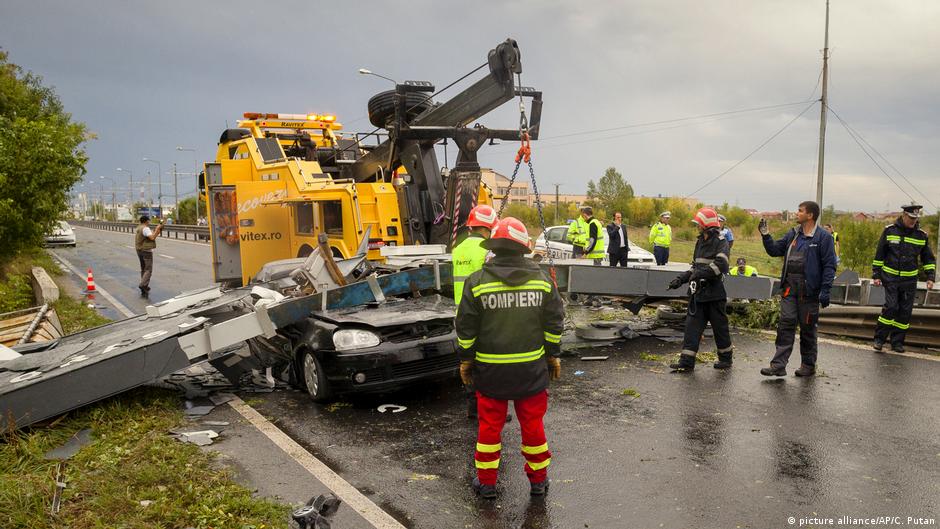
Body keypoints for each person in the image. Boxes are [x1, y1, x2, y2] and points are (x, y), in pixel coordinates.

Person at [456, 217, 565, 499]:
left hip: (491, 372)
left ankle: (488, 484)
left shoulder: (476, 282)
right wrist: (553, 356)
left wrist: (466, 359)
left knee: (489, 429)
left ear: (494, 248)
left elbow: (466, 328)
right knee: (533, 428)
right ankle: (539, 483)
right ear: (523, 248)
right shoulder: (542, 282)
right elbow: (554, 324)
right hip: (531, 371)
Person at [758, 201, 836, 377]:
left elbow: (830, 266)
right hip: (789, 289)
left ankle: (808, 365)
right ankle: (778, 365)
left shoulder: (824, 238)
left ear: (810, 215)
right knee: (785, 323)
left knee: (807, 329)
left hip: (810, 292)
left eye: (800, 211)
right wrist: (766, 235)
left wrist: (825, 290)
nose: (796, 213)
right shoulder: (793, 234)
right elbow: (774, 250)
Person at [666, 207, 733, 372]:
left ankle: (726, 359)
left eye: (699, 223)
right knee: (691, 328)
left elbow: (721, 265)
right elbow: (695, 266)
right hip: (698, 294)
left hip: (714, 294)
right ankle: (687, 362)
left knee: (720, 329)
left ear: (706, 225)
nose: (697, 226)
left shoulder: (721, 241)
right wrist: (681, 279)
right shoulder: (700, 241)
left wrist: (699, 273)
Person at [452, 204, 499, 419]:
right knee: (487, 362)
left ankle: (473, 407)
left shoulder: (458, 248)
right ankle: (487, 408)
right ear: (487, 228)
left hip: (461, 311)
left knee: (468, 359)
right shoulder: (487, 250)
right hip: (483, 312)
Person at [871, 204, 936, 353]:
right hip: (891, 278)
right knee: (891, 307)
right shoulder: (889, 231)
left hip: (909, 281)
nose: (913, 221)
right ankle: (879, 339)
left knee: (905, 312)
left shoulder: (921, 236)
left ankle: (897, 342)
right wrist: (876, 274)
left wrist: (930, 277)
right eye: (911, 218)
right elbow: (880, 254)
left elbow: (928, 259)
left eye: (916, 218)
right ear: (904, 215)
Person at [135, 215, 164, 297]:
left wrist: (156, 230)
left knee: (143, 268)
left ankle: (145, 285)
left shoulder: (138, 228)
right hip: (146, 250)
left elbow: (146, 237)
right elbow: (152, 237)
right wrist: (158, 229)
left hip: (139, 250)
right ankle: (143, 284)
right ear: (146, 221)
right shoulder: (145, 228)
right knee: (148, 269)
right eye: (149, 220)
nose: (149, 222)